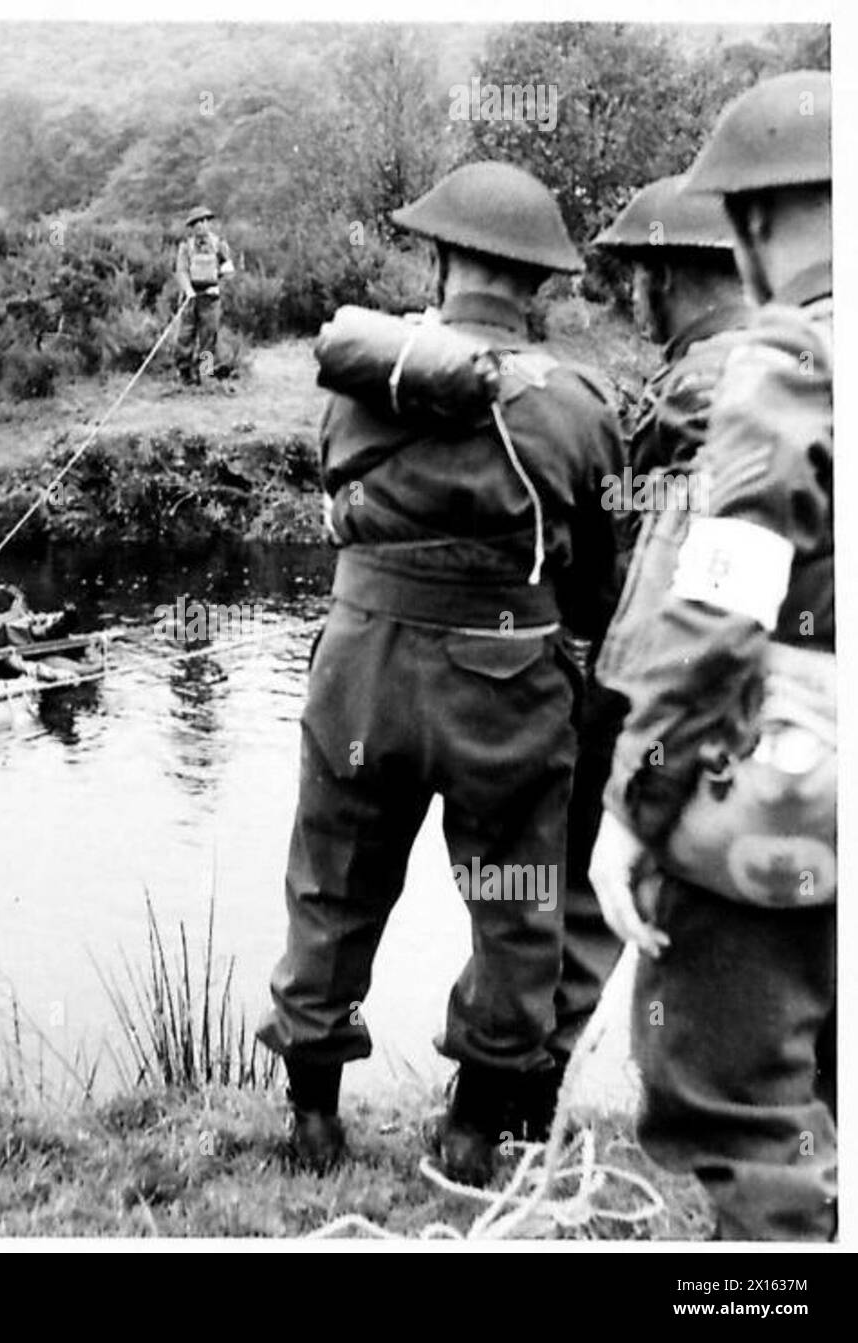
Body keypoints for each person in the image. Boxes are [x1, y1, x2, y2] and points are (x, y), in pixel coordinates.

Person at [256, 161, 626, 1184]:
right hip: (506, 687)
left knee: (331, 883)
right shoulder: (580, 406)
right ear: (539, 282)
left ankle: (313, 1123)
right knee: (514, 902)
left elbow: (339, 491)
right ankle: (469, 1131)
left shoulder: (365, 380)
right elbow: (598, 578)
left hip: (360, 669)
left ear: (439, 255)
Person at [590, 70, 835, 1241]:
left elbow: (721, 604)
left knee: (745, 1122)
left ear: (744, 222)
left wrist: (638, 800)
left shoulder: (787, 363)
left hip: (792, 799)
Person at [553, 176, 754, 1057]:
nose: (632, 292)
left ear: (667, 277)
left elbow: (627, 551)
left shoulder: (688, 391)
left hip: (664, 671)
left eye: (638, 273)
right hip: (767, 681)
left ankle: (543, 1076)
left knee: (584, 887)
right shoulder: (796, 362)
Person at [174, 206, 234, 384]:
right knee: (185, 335)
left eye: (204, 221)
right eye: (196, 223)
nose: (201, 225)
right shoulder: (186, 247)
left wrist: (219, 287)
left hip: (211, 298)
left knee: (208, 337)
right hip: (190, 297)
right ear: (191, 227)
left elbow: (229, 270)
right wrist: (188, 291)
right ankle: (184, 372)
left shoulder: (219, 245)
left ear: (209, 223)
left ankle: (205, 373)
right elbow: (181, 271)